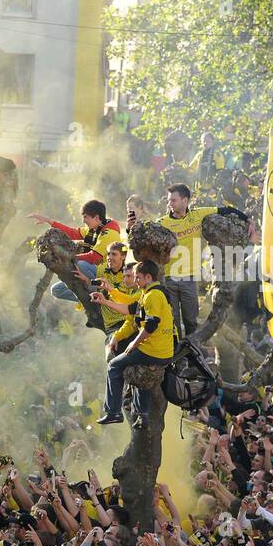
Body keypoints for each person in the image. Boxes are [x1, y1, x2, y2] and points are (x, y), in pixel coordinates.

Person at [147, 182, 247, 336]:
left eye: (173, 200)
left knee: (190, 322)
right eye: (169, 200)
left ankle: (191, 356)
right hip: (168, 279)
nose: (170, 204)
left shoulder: (198, 215)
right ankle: (175, 358)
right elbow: (144, 239)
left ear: (185, 200)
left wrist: (249, 221)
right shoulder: (162, 223)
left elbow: (226, 210)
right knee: (171, 323)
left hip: (190, 279)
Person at [95, 260, 176, 430]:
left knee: (114, 365)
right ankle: (142, 416)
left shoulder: (153, 295)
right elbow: (129, 311)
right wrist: (104, 301)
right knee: (141, 372)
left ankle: (113, 412)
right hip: (159, 351)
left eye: (138, 277)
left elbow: (151, 326)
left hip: (154, 350)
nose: (136, 281)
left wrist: (133, 343)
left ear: (148, 277)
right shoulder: (147, 293)